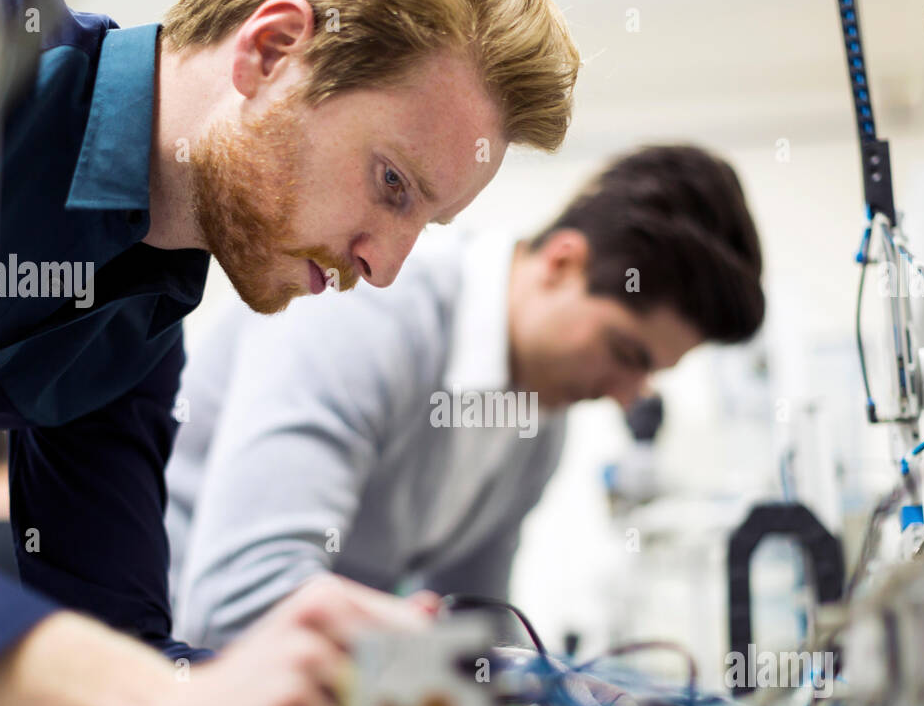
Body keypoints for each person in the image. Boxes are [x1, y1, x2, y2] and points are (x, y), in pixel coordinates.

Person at [0, 0, 578, 706]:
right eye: (392, 185)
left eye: (422, 225)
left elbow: (123, 650)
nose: (385, 266)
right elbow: (137, 698)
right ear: (270, 51)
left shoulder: (136, 325)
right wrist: (153, 705)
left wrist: (306, 698)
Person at [166, 145, 765, 670]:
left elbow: (474, 622)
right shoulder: (368, 310)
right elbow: (236, 605)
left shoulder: (536, 424)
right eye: (626, 353)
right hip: (155, 695)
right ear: (561, 264)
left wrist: (566, 696)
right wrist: (512, 680)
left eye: (651, 374)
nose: (627, 395)